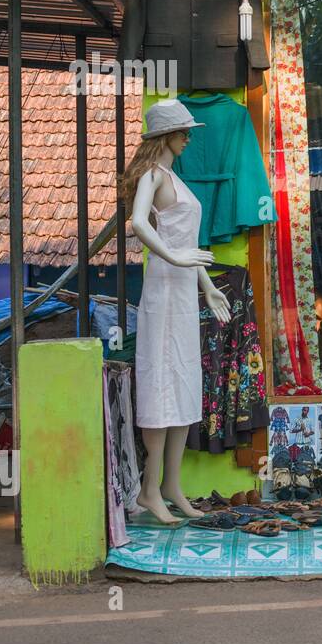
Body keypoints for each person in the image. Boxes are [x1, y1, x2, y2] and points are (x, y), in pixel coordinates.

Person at [119, 98, 229, 525]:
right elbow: (138, 224)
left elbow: (188, 248)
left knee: (183, 386)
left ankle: (172, 486)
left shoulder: (174, 178)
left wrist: (207, 285)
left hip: (184, 294)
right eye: (184, 132)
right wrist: (174, 260)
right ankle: (149, 489)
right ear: (165, 135)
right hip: (163, 295)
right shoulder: (152, 175)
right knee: (162, 387)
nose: (188, 138)